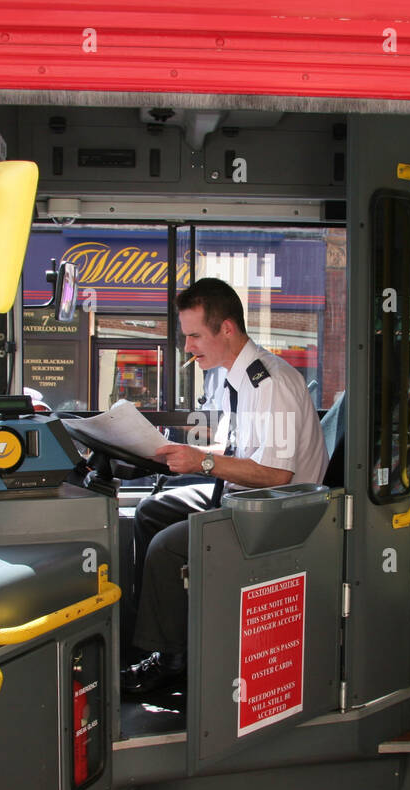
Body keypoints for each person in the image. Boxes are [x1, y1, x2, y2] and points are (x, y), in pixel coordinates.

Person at [121, 277, 327, 694]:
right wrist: (179, 451)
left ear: (227, 329)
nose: (187, 347)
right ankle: (163, 639)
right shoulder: (229, 377)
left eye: (195, 335)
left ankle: (173, 662)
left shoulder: (270, 384)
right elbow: (236, 447)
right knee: (149, 513)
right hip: (243, 496)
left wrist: (204, 461)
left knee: (167, 547)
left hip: (275, 514)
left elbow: (275, 476)